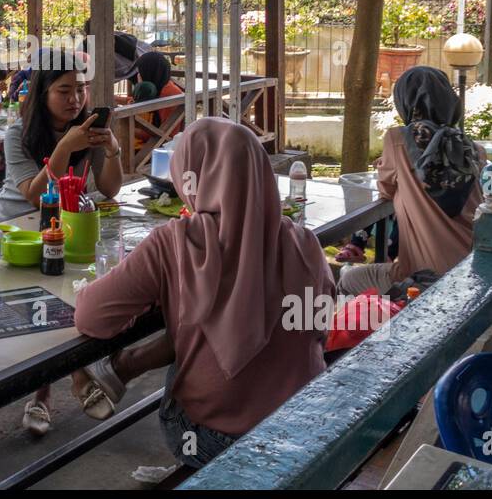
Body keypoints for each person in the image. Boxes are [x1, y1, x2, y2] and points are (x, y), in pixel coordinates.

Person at [74, 117, 334, 468]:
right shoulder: (305, 241)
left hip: (212, 438)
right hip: (305, 430)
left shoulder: (175, 242)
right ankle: (123, 368)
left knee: (195, 336)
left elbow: (91, 316)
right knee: (208, 327)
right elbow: (320, 328)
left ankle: (121, 368)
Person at [0, 53, 125, 434]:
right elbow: (34, 195)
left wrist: (111, 147)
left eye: (80, 88)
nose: (75, 98)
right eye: (64, 90)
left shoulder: (87, 129)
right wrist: (64, 147)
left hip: (64, 228)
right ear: (41, 93)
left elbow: (111, 188)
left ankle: (63, 385)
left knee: (68, 298)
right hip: (16, 230)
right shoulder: (18, 134)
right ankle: (58, 388)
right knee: (43, 304)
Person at [338, 66, 485, 296]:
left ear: (404, 102)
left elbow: (385, 191)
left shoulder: (398, 140)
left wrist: (391, 167)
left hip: (423, 277)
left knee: (346, 280)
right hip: (473, 270)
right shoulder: (473, 149)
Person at [126, 50, 185, 146]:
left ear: (150, 72)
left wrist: (124, 128)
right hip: (152, 143)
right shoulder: (162, 85)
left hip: (156, 149)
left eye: (140, 71)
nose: (138, 75)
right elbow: (137, 101)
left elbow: (161, 135)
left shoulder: (168, 97)